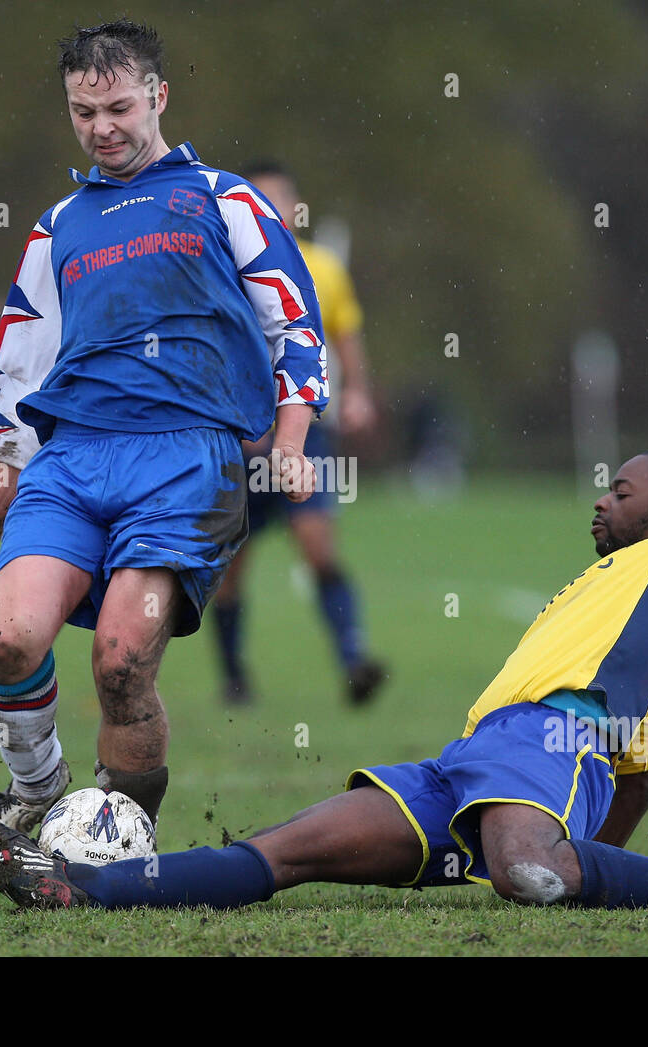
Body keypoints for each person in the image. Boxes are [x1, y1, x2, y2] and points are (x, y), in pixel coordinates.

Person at [0, 331, 648, 911]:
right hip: (469, 761)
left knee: (529, 868)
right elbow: (637, 780)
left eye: (623, 491)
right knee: (285, 851)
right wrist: (583, 855)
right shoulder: (610, 600)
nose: (602, 499)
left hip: (546, 747)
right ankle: (79, 886)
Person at [0, 20, 329, 883]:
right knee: (9, 638)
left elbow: (294, 321)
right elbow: (18, 374)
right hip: (73, 465)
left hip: (187, 463)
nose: (101, 126)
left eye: (116, 107)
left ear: (158, 97)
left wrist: (291, 439)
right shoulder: (57, 227)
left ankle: (114, 855)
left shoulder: (225, 200)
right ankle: (35, 801)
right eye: (82, 111)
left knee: (120, 659)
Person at [210, 161, 386, 706]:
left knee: (317, 546)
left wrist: (356, 393)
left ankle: (354, 658)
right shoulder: (221, 265)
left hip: (307, 435)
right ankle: (235, 677)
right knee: (230, 567)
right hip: (239, 441)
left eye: (281, 198)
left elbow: (346, 337)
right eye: (260, 200)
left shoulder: (324, 267)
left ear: (295, 204)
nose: (272, 209)